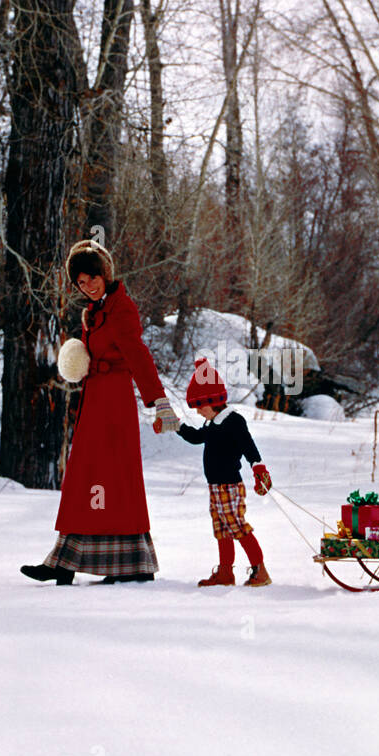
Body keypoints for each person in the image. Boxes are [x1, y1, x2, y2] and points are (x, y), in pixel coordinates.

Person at [20, 240, 178, 585]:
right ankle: (63, 560)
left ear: (104, 275)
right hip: (95, 400)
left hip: (115, 405)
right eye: (80, 282)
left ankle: (128, 564)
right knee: (86, 480)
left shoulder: (121, 308)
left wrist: (160, 403)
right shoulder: (95, 310)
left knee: (111, 479)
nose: (87, 286)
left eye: (92, 278)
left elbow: (138, 356)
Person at [168, 357, 272, 587]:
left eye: (200, 406)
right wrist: (175, 425)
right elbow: (196, 438)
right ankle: (226, 573)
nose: (198, 412)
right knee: (221, 529)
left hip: (230, 486)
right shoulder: (211, 424)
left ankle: (260, 570)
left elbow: (249, 447)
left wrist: (259, 469)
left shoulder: (233, 422)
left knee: (236, 526)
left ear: (213, 400)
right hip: (215, 486)